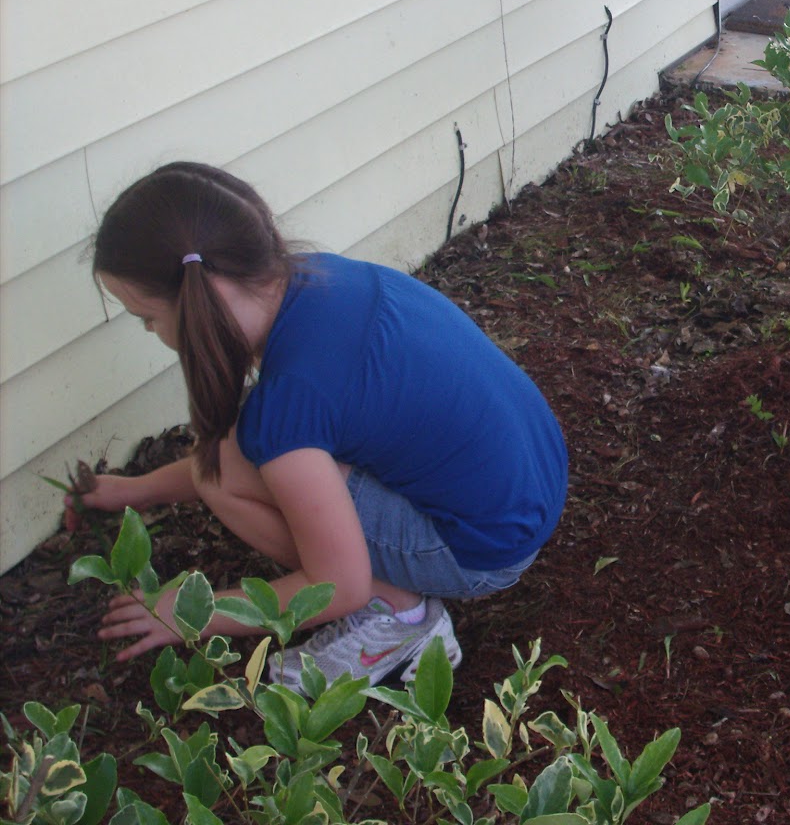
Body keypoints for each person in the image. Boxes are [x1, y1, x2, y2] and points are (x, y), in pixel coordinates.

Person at [66, 161, 567, 689]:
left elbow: (338, 585)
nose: (152, 331)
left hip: (481, 552)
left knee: (222, 475)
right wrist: (132, 491)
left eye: (147, 318)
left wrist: (188, 613)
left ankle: (398, 616)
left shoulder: (290, 401)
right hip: (528, 489)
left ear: (201, 294)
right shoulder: (321, 279)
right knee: (235, 454)